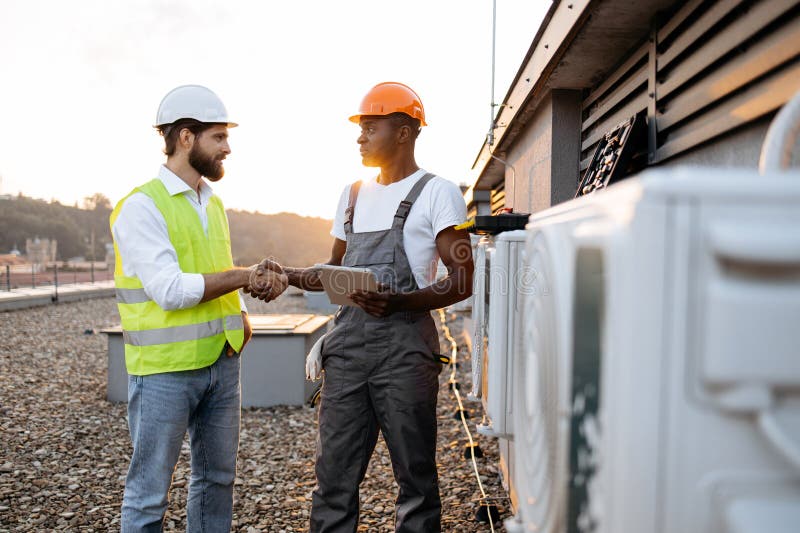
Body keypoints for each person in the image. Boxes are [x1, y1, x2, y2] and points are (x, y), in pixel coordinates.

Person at [255, 81, 474, 532]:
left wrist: (399, 301)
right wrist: (288, 274)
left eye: (370, 127)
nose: (360, 137)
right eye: (360, 128)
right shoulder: (351, 194)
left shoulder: (438, 193)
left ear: (404, 131)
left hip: (405, 352)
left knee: (415, 478)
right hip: (348, 351)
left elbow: (465, 280)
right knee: (332, 478)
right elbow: (332, 269)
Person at [110, 84, 287, 532]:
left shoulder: (213, 202)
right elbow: (170, 290)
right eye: (219, 137)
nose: (228, 148)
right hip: (164, 372)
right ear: (186, 137)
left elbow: (213, 272)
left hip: (222, 363)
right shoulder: (141, 207)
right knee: (150, 493)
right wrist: (246, 275)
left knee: (216, 481)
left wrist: (241, 312)